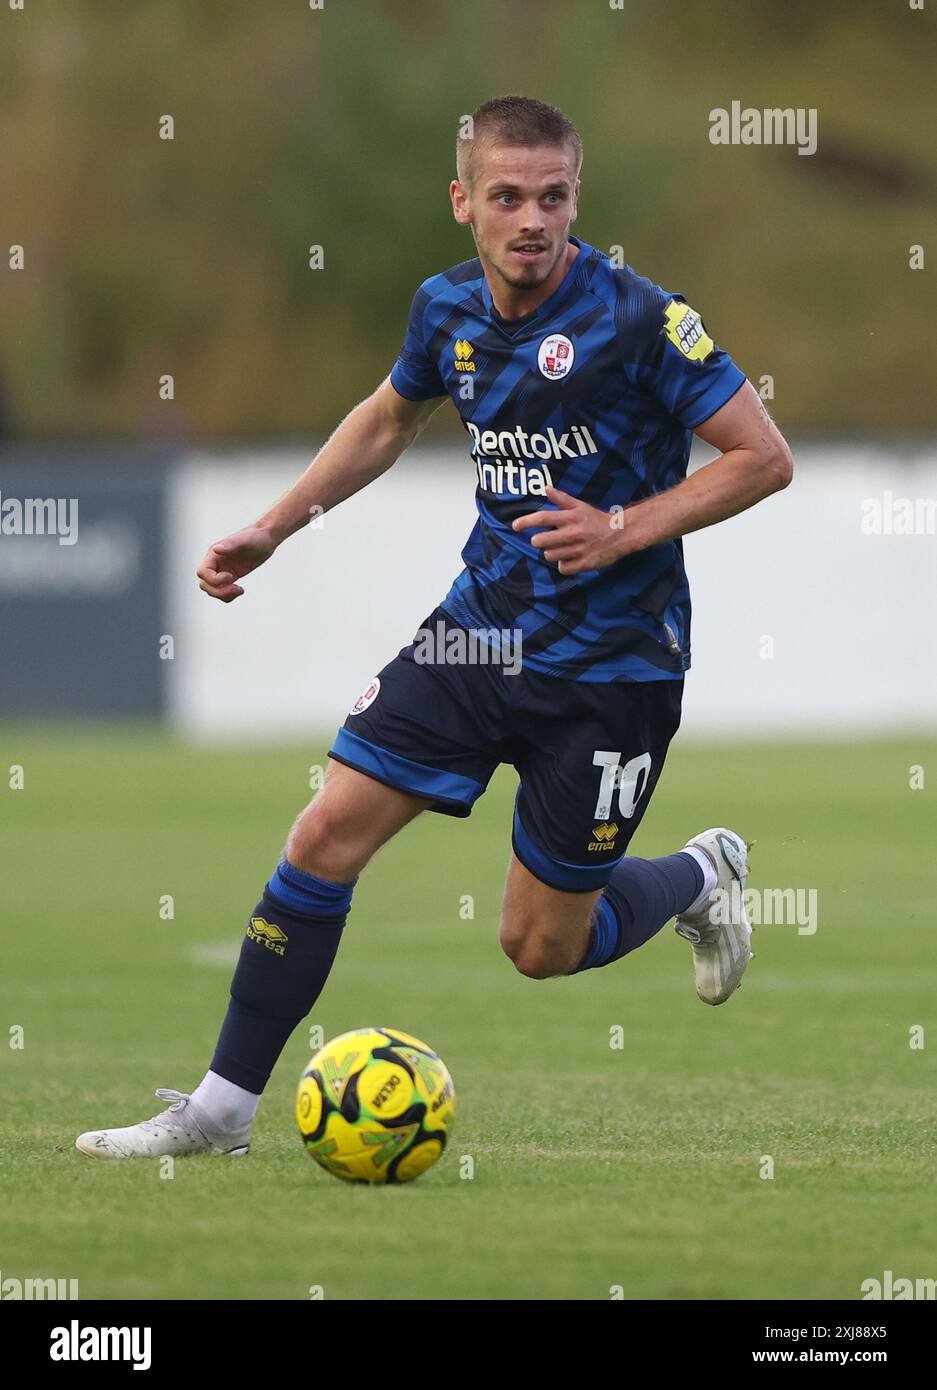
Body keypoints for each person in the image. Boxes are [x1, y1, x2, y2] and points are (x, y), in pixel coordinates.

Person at [76, 96, 792, 1160]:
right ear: (463, 202)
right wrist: (275, 527)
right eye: (506, 196)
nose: (532, 219)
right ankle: (220, 1110)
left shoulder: (640, 318)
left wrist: (622, 528)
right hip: (478, 636)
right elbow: (386, 418)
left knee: (539, 946)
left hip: (613, 668)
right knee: (322, 833)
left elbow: (761, 456)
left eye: (552, 197)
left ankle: (699, 875)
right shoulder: (444, 309)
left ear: (575, 198)